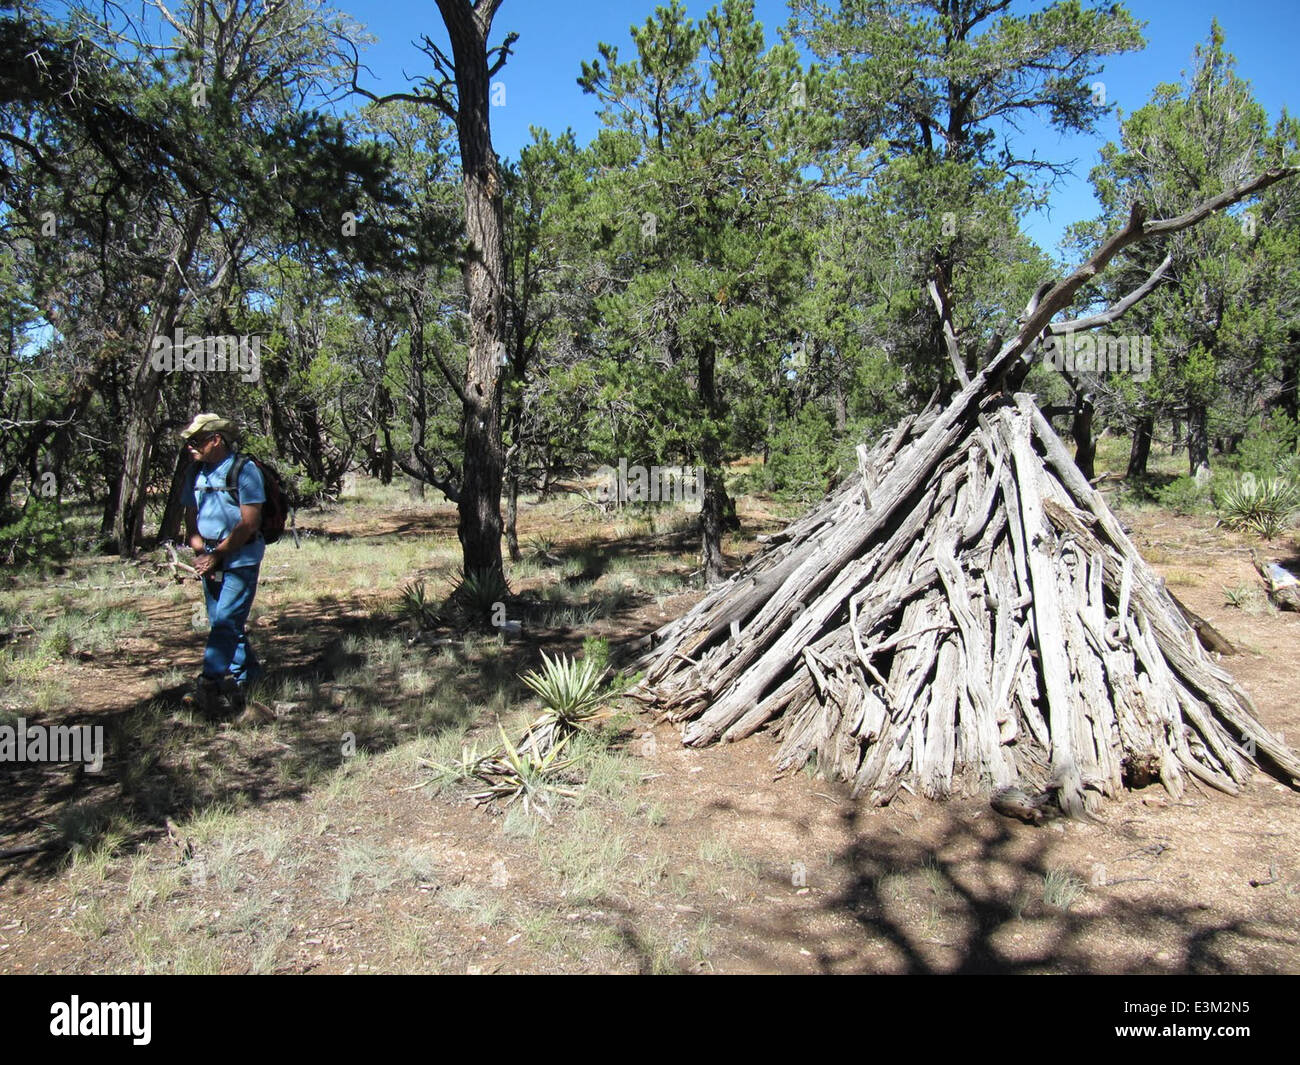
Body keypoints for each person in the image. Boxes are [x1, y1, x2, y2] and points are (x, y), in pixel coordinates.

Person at [179, 413, 265, 716]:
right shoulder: (195, 473)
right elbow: (191, 516)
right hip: (210, 560)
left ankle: (209, 683)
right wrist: (200, 549)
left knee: (226, 621)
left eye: (196, 440)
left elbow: (249, 523)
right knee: (223, 623)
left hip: (241, 558)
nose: (191, 446)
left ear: (216, 439)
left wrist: (218, 554)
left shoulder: (245, 470)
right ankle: (250, 679)